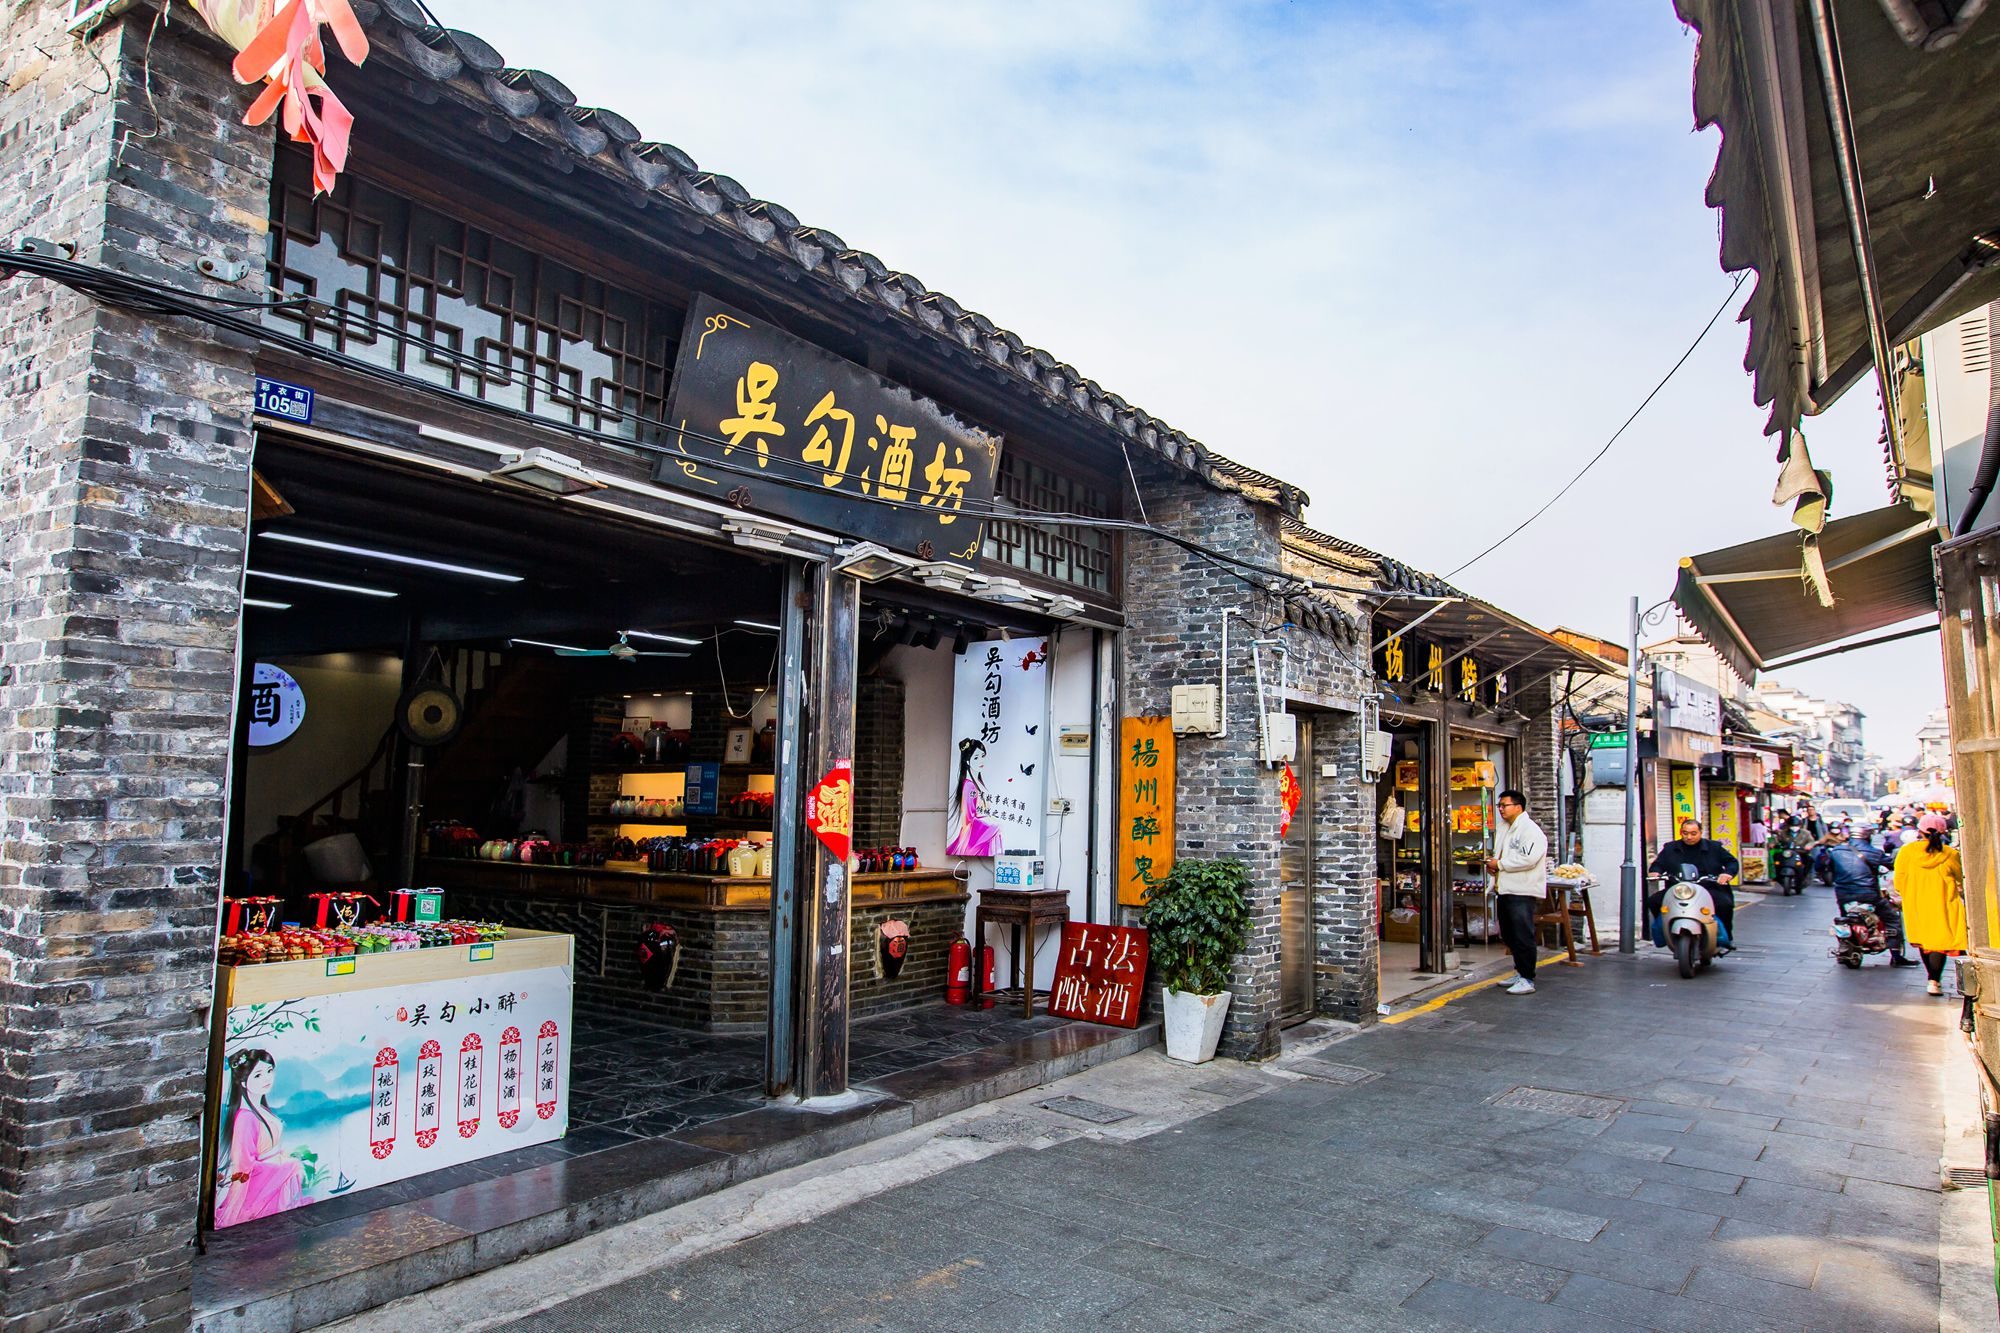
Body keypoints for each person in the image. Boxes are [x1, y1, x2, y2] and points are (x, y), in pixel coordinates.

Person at [214, 1048, 304, 1228]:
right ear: (244, 1082)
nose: (267, 1079)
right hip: (260, 1186)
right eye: (258, 1075)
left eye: (269, 1071)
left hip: (272, 1180)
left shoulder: (262, 1111)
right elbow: (244, 1166)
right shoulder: (245, 1118)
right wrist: (286, 1167)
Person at [1814, 830, 1915, 966]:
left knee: (1844, 920)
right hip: (1868, 894)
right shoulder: (1874, 853)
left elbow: (1824, 866)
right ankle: (1896, 955)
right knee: (1892, 918)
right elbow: (1892, 864)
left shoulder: (1837, 851)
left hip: (1843, 894)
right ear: (1868, 837)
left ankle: (1845, 946)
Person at [1483, 789, 1547, 996]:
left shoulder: (1530, 830)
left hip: (1521, 890)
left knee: (1522, 935)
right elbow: (1501, 854)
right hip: (1505, 889)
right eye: (1499, 805)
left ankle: (1528, 978)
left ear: (1518, 807)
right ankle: (1520, 972)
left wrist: (1500, 864)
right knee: (1510, 935)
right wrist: (1494, 866)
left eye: (1504, 805)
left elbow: (1528, 859)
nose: (1500, 809)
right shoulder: (1505, 828)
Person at [1896, 813, 1966, 996]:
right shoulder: (1950, 854)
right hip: (1944, 904)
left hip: (1916, 904)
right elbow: (1960, 878)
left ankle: (1932, 978)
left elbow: (1899, 881)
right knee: (1938, 943)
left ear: (1920, 831)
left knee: (1925, 942)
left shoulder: (1907, 851)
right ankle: (1934, 980)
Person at [1649, 818, 1741, 948]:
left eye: (1693, 833)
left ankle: (1726, 937)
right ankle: (1664, 931)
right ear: (1681, 832)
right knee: (1654, 901)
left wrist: (1727, 874)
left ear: (1700, 832)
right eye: (1685, 833)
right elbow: (1658, 864)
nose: (1689, 837)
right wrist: (1655, 872)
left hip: (1709, 888)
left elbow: (1732, 862)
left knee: (1724, 905)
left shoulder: (1714, 847)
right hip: (1679, 889)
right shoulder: (1670, 848)